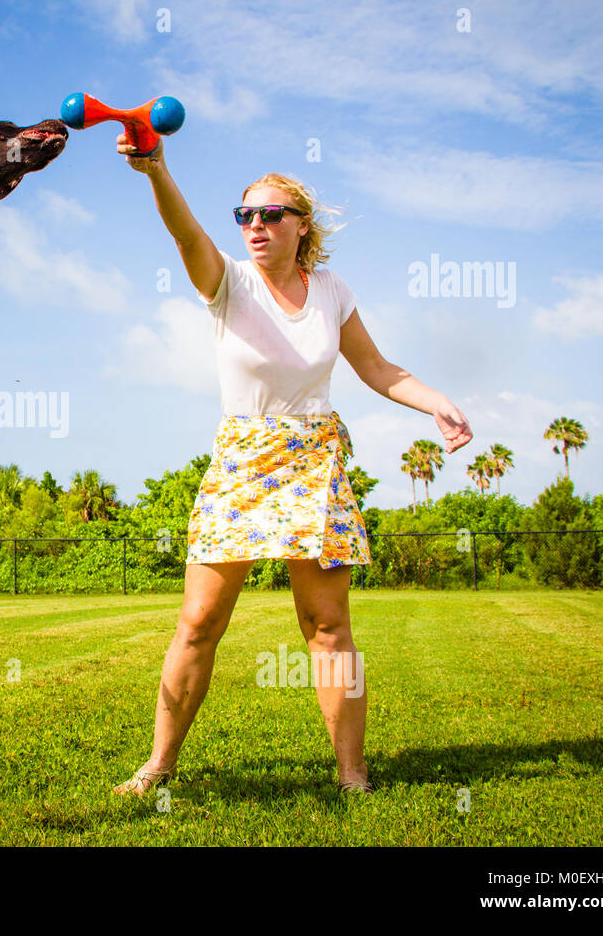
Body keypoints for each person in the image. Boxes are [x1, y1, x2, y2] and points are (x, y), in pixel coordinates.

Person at [112, 135, 473, 796]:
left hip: (314, 460)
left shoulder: (331, 291)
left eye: (270, 214)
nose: (254, 226)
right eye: (244, 215)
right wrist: (156, 170)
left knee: (328, 628)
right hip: (243, 459)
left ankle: (353, 775)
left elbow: (378, 368)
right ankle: (158, 765)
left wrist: (436, 402)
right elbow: (186, 234)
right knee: (198, 623)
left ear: (300, 225)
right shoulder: (228, 282)